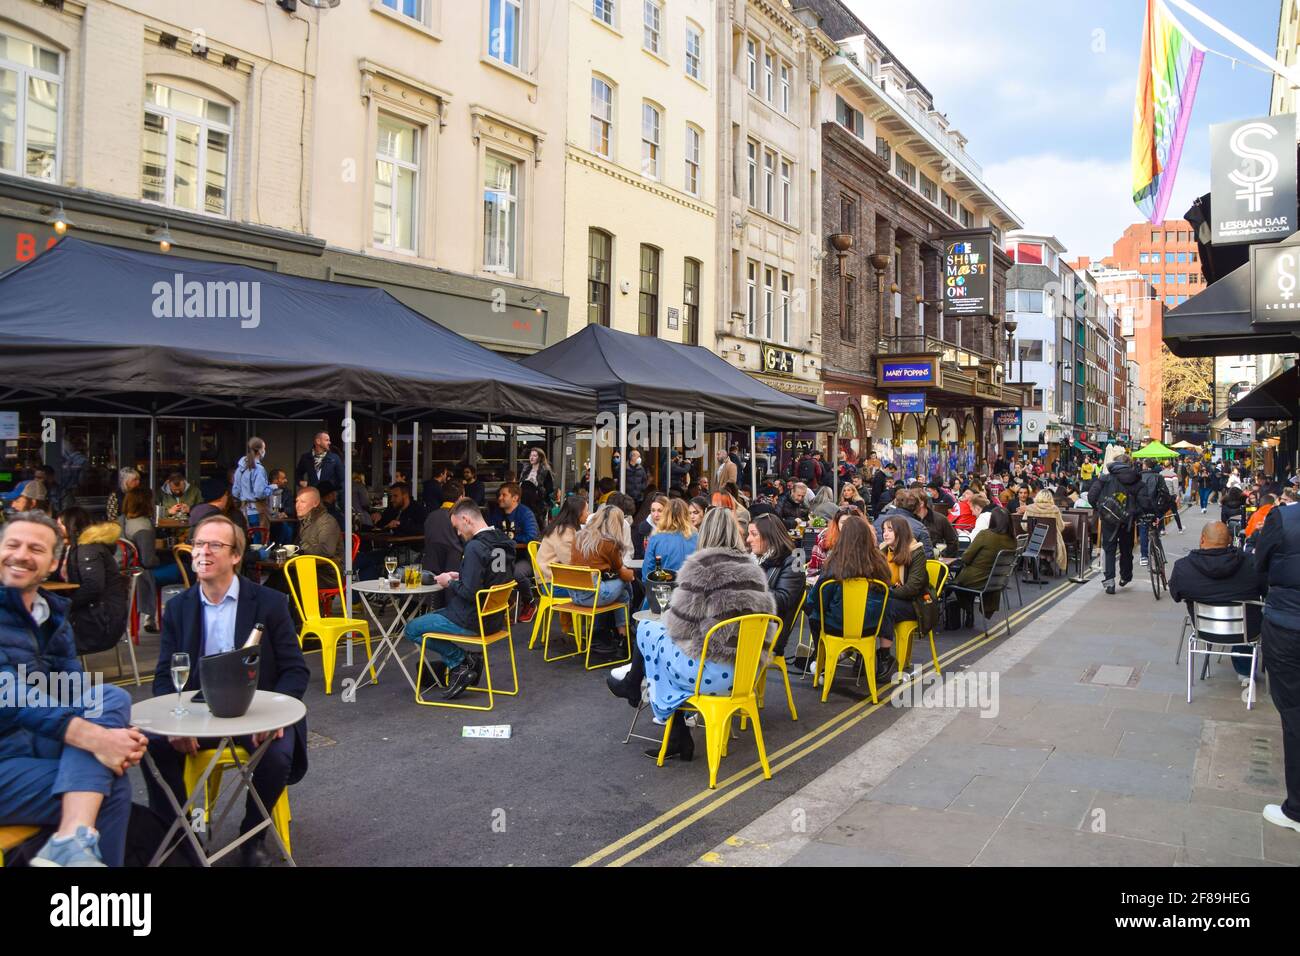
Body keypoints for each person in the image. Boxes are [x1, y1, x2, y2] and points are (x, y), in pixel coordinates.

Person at [144, 514, 310, 866]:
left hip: (257, 717)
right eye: (198, 544)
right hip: (200, 715)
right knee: (153, 745)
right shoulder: (178, 608)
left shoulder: (269, 603)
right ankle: (181, 836)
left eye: (214, 545)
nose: (203, 552)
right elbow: (163, 678)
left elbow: (296, 671)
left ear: (236, 556)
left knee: (278, 754)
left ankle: (253, 837)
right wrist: (178, 724)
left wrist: (277, 714)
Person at [0, 511, 146, 867]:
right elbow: (9, 695)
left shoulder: (51, 613)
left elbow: (73, 688)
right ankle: (88, 890)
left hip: (32, 745)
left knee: (111, 697)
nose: (21, 555)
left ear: (53, 563)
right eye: (12, 545)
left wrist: (117, 734)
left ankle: (69, 840)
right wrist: (95, 738)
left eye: (35, 548)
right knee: (109, 784)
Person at [609, 529, 778, 762]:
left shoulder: (702, 568)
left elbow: (677, 627)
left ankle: (633, 685)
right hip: (745, 676)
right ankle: (677, 737)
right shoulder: (754, 572)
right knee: (663, 652)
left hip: (710, 677)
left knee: (649, 631)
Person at [402, 499, 514, 700]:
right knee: (432, 619)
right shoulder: (503, 541)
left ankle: (461, 662)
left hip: (471, 619)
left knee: (412, 628)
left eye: (457, 528)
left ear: (466, 519)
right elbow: (489, 580)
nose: (458, 533)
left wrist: (449, 582)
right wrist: (461, 576)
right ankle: (466, 661)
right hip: (494, 619)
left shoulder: (474, 547)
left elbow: (469, 593)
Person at [1169, 521, 1266, 692]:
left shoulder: (1183, 567)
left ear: (1202, 539)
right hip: (1246, 632)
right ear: (1230, 540)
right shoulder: (1252, 564)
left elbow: (1176, 595)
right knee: (1251, 614)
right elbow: (1266, 592)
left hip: (1204, 630)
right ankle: (1245, 672)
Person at [1254, 496, 1300, 834]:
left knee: (1294, 713)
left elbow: (1260, 564)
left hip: (1289, 625)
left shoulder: (1283, 518)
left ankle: (1297, 809)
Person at [802, 516, 891, 677]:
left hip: (838, 625)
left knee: (814, 613)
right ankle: (858, 656)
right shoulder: (880, 563)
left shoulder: (835, 564)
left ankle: (824, 658)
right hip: (871, 626)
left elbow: (816, 600)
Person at [58, 507, 129, 657]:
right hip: (95, 615)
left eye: (60, 525)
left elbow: (93, 587)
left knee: (44, 633)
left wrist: (65, 605)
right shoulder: (74, 547)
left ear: (71, 526)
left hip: (100, 622)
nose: (56, 528)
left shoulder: (88, 549)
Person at [569, 504, 636, 659]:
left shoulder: (578, 536)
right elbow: (622, 572)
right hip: (593, 597)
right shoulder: (609, 543)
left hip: (575, 595)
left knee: (623, 595)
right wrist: (632, 576)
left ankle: (611, 635)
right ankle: (625, 638)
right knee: (626, 584)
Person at [119, 488, 181, 631]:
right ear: (146, 504)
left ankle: (150, 618)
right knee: (185, 568)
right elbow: (148, 561)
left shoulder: (123, 521)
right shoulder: (144, 527)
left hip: (126, 569)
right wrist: (162, 558)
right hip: (141, 573)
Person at [878, 515, 933, 676]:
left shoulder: (916, 552)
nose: (885, 534)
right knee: (870, 604)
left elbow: (912, 588)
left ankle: (884, 656)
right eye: (883, 530)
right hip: (893, 595)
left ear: (900, 532)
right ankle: (861, 654)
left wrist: (887, 591)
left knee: (885, 606)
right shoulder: (883, 550)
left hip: (916, 603)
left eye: (890, 530)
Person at [747, 513, 804, 657]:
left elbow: (784, 600)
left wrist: (747, 588)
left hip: (770, 631)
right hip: (753, 623)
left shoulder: (793, 561)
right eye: (748, 534)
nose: (748, 540)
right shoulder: (754, 559)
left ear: (769, 536)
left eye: (754, 534)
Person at [1087, 452, 1143, 595]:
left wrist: (1100, 509)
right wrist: (1136, 513)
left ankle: (1109, 582)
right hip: (1127, 520)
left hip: (1109, 519)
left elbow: (1091, 496)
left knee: (1109, 550)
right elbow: (1142, 500)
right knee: (1126, 550)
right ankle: (1125, 576)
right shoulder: (1135, 479)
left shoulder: (1105, 478)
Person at [952, 508, 1018, 627]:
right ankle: (969, 612)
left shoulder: (985, 535)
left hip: (976, 579)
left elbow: (966, 557)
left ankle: (969, 612)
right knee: (963, 582)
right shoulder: (1013, 541)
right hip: (996, 582)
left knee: (955, 584)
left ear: (992, 520)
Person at [489, 482, 540, 623]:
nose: (500, 498)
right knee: (490, 569)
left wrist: (510, 540)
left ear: (515, 498)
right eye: (499, 495)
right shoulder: (497, 514)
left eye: (504, 495)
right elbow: (490, 532)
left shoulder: (525, 513)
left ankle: (529, 603)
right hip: (504, 556)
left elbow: (532, 536)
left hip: (525, 557)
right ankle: (505, 602)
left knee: (516, 572)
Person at [642, 497, 698, 597]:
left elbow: (647, 574)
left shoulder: (656, 538)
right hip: (691, 594)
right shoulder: (696, 537)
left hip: (662, 594)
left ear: (666, 514)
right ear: (686, 515)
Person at [294, 486, 343, 586]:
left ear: (315, 503)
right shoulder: (305, 521)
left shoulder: (327, 522)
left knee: (291, 579)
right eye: (297, 501)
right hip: (310, 568)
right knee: (279, 576)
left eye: (303, 502)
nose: (297, 505)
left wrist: (301, 549)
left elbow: (326, 550)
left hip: (329, 574)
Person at [536, 496, 587, 587]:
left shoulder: (564, 528)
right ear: (578, 513)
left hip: (556, 579)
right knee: (604, 587)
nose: (588, 514)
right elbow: (572, 562)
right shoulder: (563, 532)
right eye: (586, 511)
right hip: (552, 584)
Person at [873, 489, 935, 558]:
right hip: (906, 566)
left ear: (895, 502)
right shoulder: (919, 527)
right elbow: (928, 557)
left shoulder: (877, 521)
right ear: (916, 507)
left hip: (879, 565)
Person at [421, 480, 465, 577]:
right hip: (453, 573)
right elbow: (468, 544)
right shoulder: (460, 517)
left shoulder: (430, 516)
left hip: (430, 571)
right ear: (461, 497)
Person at [1023, 489, 1068, 576]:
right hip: (1051, 541)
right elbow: (1061, 526)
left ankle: (1043, 563)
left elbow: (1024, 525)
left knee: (1041, 543)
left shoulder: (1030, 508)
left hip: (1034, 540)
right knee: (1050, 541)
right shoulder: (1054, 509)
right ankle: (1046, 562)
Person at [807, 505, 862, 574]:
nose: (847, 526)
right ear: (836, 523)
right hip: (829, 580)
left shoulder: (866, 539)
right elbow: (815, 568)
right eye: (843, 522)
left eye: (851, 523)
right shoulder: (824, 537)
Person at [913, 490, 959, 556]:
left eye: (912, 502)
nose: (909, 504)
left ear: (921, 503)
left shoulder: (940, 519)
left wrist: (942, 555)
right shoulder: (909, 519)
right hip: (914, 561)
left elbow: (953, 541)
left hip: (935, 561)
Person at [519, 448, 556, 525]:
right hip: (524, 502)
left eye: (534, 456)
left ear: (540, 457)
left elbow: (550, 489)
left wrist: (538, 491)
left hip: (538, 505)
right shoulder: (526, 470)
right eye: (530, 455)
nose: (531, 457)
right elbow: (520, 483)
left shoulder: (545, 471)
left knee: (536, 525)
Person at [632, 494, 668, 560]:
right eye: (653, 510)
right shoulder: (641, 530)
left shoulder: (675, 530)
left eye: (660, 511)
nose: (655, 515)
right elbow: (637, 557)